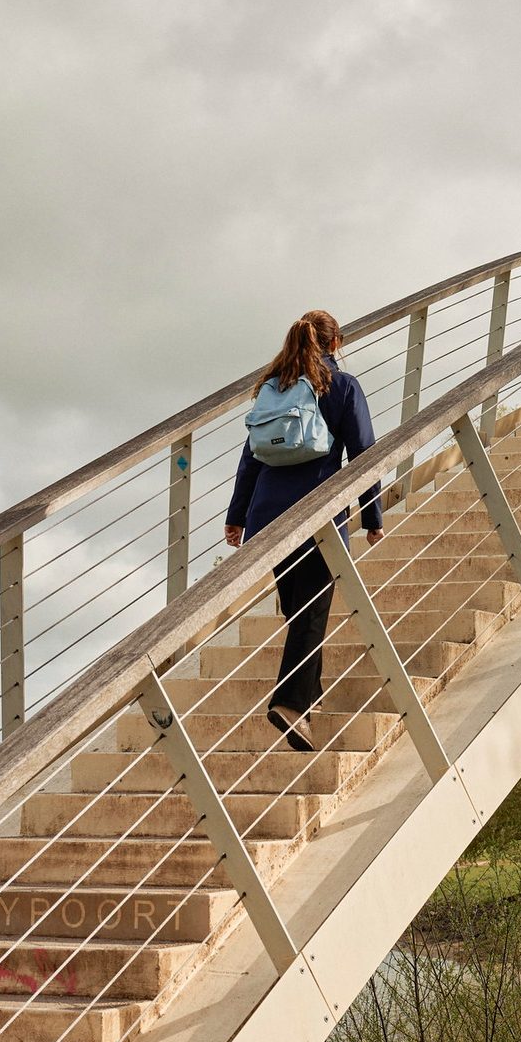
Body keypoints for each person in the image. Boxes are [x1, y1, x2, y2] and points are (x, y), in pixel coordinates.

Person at [225, 310, 382, 752]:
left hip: (268, 517)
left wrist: (238, 516)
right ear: (337, 343)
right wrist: (372, 518)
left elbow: (250, 459)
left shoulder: (273, 389)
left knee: (300, 614)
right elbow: (364, 454)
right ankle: (292, 704)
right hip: (316, 516)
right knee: (311, 614)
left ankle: (305, 710)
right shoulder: (342, 386)